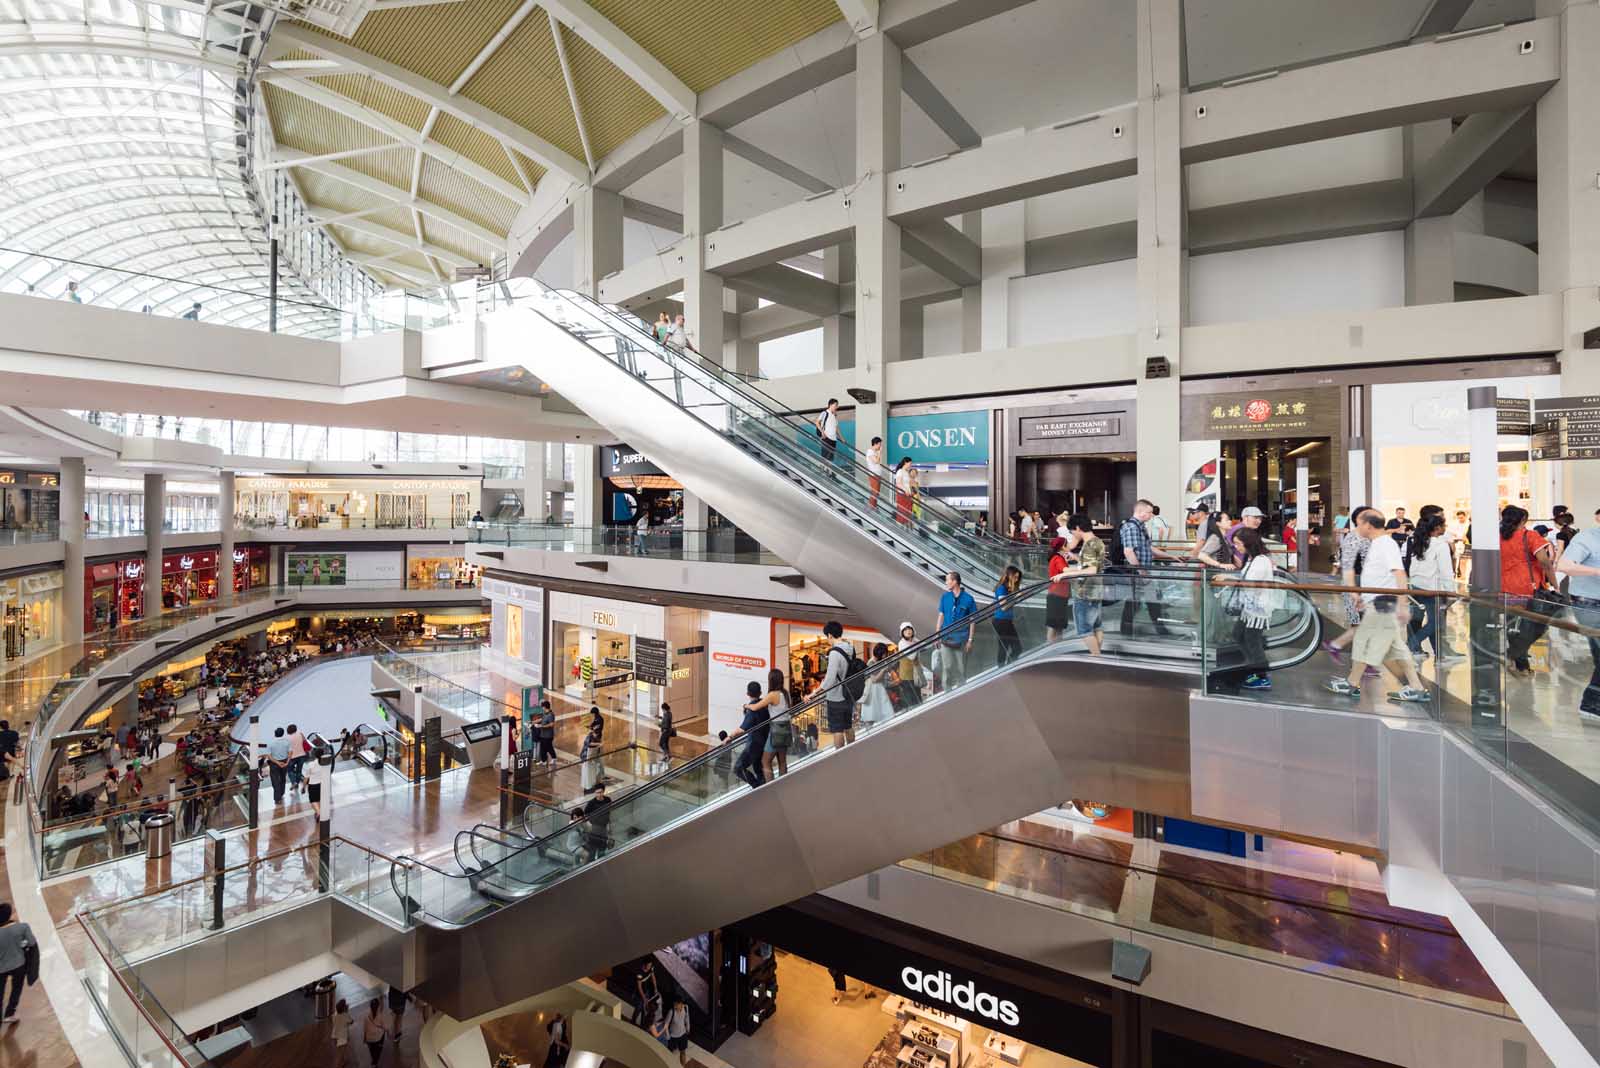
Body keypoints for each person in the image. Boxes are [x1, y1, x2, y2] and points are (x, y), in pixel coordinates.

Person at [1325, 510, 1430, 703]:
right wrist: (1363, 596)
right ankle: (1416, 688)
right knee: (1396, 649)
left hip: (1384, 603)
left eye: (1358, 524)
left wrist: (1403, 603)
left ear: (1368, 525)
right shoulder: (1379, 544)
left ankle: (1351, 683)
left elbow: (1399, 574)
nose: (1357, 528)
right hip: (1379, 601)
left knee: (1364, 642)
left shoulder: (1385, 545)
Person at [1214, 527, 1279, 691]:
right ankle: (1253, 667)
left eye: (1238, 543)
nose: (1236, 547)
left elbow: (1250, 583)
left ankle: (1261, 675)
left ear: (1248, 543)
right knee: (1240, 635)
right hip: (1250, 609)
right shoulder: (1252, 558)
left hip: (1258, 610)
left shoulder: (1260, 560)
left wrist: (1228, 578)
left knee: (1252, 641)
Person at [1500, 504, 1559, 678]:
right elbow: (1545, 562)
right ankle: (1513, 656)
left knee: (1514, 627)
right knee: (1537, 626)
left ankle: (1521, 665)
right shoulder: (1530, 536)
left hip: (1506, 589)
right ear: (1523, 520)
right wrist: (1555, 584)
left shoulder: (1499, 538)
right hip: (1528, 588)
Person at [1557, 507, 1600, 720]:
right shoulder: (1587, 538)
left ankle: (1592, 704)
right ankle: (1590, 705)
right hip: (1589, 603)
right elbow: (1564, 565)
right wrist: (1597, 571)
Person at [1405, 514, 1460, 664]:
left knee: (1433, 621)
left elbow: (1412, 566)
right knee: (1436, 622)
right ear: (1437, 528)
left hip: (1417, 586)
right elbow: (1446, 571)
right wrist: (1451, 592)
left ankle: (1439, 655)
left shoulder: (1420, 541)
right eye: (1444, 525)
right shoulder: (1440, 545)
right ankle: (1410, 644)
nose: (1445, 528)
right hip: (1432, 589)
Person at [1118, 499, 1177, 636]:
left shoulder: (1141, 526)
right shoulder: (1131, 527)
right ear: (1140, 512)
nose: (1151, 515)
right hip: (1137, 573)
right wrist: (1141, 571)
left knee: (1148, 601)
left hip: (1143, 572)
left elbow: (1149, 547)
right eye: (1149, 512)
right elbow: (1129, 551)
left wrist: (1169, 557)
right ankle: (1128, 631)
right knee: (1135, 603)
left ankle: (1159, 630)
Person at [1326, 505, 1376, 666]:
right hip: (1354, 585)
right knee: (1362, 625)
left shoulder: (1367, 538)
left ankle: (1359, 661)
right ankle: (1341, 648)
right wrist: (1353, 591)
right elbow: (1348, 566)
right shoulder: (1354, 539)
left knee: (1363, 625)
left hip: (1361, 585)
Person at [1065, 515, 1106, 655]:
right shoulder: (1098, 541)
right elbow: (1093, 564)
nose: (1073, 535)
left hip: (1085, 592)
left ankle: (1096, 658)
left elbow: (1091, 570)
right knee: (1097, 626)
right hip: (1097, 591)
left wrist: (1065, 574)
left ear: (1077, 528)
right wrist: (1076, 558)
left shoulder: (1088, 545)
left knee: (1085, 630)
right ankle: (1097, 655)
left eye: (1072, 532)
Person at [816, 620, 858, 748]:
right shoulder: (850, 647)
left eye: (827, 636)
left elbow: (829, 679)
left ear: (829, 635)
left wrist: (814, 693)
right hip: (849, 694)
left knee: (837, 729)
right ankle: (853, 750)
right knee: (848, 725)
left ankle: (840, 757)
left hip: (836, 697)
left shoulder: (834, 652)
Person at [935, 571, 977, 689]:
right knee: (947, 667)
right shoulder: (945, 597)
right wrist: (937, 635)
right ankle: (947, 692)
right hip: (945, 638)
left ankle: (961, 691)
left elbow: (972, 620)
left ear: (954, 581)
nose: (946, 582)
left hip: (961, 640)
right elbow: (941, 616)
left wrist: (970, 639)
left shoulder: (968, 599)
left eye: (948, 580)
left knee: (961, 668)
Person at [0, 902, 36, 1023]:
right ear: (9, 914)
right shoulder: (22, 927)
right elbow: (31, 943)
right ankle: (9, 1014)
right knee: (16, 989)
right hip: (18, 964)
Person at [730, 681, 770, 788]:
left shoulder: (751, 710)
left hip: (754, 744)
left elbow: (742, 729)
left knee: (738, 768)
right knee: (758, 768)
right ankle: (763, 788)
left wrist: (729, 737)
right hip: (764, 742)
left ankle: (756, 786)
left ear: (748, 693)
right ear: (760, 692)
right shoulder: (765, 705)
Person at [760, 668, 791, 779]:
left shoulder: (773, 694)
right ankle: (783, 783)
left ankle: (771, 786)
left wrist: (746, 706)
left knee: (765, 761)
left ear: (771, 680)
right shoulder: (785, 693)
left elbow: (756, 706)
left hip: (776, 730)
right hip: (786, 729)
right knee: (782, 761)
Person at [1045, 536, 1075, 643]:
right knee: (1054, 626)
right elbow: (1065, 570)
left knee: (1058, 626)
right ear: (1063, 546)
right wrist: (1082, 569)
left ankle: (1055, 649)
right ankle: (1051, 650)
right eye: (1067, 544)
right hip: (1057, 596)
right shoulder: (1058, 558)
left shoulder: (1057, 558)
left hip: (1058, 595)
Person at [991, 565, 1024, 664]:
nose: (1017, 580)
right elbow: (1003, 607)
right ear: (1010, 576)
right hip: (1000, 621)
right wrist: (1016, 597)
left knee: (1015, 647)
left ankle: (1008, 666)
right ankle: (1003, 668)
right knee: (1005, 646)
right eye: (1015, 577)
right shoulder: (1001, 588)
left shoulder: (1009, 589)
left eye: (1018, 578)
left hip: (1006, 621)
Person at [576, 781, 612, 859]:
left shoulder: (608, 800)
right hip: (594, 829)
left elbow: (608, 813)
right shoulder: (591, 803)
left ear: (603, 791)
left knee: (602, 849)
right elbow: (584, 815)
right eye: (597, 793)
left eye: (600, 792)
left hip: (604, 828)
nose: (599, 795)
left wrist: (609, 826)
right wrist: (589, 824)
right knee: (592, 849)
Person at [631, 960, 660, 1026]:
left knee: (645, 1010)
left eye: (650, 966)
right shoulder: (639, 973)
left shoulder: (651, 968)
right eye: (648, 966)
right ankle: (632, 1022)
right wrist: (644, 998)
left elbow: (653, 978)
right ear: (644, 965)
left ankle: (642, 1024)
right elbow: (639, 987)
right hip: (639, 993)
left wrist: (655, 988)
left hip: (646, 991)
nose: (649, 967)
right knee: (638, 1008)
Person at [266, 726, 290, 804]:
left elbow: (269, 756)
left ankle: (277, 798)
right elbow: (290, 752)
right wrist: (287, 762)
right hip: (284, 761)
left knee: (275, 780)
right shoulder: (287, 742)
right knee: (283, 778)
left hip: (274, 763)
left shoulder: (271, 743)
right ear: (283, 733)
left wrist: (277, 762)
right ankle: (281, 793)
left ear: (275, 734)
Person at [665, 997, 691, 1066]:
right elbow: (666, 1024)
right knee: (670, 1054)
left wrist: (688, 1028)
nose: (675, 1006)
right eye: (674, 1004)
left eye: (676, 1004)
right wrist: (668, 1037)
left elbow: (687, 1018)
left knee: (683, 1052)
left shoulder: (686, 1008)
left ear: (681, 1004)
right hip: (673, 1036)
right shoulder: (671, 1011)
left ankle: (683, 1066)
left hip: (683, 1034)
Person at [361, 997, 387, 1066]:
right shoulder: (380, 1016)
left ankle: (373, 1060)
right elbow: (384, 1027)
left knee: (372, 1050)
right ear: (378, 1006)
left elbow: (365, 1028)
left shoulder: (366, 1016)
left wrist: (364, 1038)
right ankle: (375, 1061)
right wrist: (387, 1030)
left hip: (369, 1038)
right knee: (378, 1049)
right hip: (378, 1038)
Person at [815, 398, 841, 467]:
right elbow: (817, 422)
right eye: (835, 405)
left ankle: (829, 472)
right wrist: (822, 432)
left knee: (831, 458)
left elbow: (836, 428)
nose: (837, 407)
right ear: (830, 405)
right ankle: (823, 470)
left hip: (834, 439)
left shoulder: (834, 416)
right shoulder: (825, 413)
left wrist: (841, 438)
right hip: (826, 438)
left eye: (837, 405)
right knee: (825, 456)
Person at [304, 748, 327, 820]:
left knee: (313, 800)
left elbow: (306, 777)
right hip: (322, 784)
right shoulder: (325, 763)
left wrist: (303, 787)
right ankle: (317, 812)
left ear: (315, 755)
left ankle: (319, 812)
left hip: (313, 785)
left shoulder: (311, 764)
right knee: (319, 799)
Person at [286, 723, 307, 797]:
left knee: (290, 770)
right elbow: (305, 742)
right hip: (302, 755)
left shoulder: (287, 738)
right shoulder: (300, 734)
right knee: (299, 770)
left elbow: (287, 749)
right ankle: (297, 783)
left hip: (292, 757)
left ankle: (293, 782)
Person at [892, 457, 915, 525]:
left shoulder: (906, 472)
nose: (911, 465)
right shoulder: (900, 471)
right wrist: (905, 490)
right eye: (910, 463)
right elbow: (898, 483)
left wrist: (911, 491)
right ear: (905, 462)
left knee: (908, 512)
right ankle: (900, 526)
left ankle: (906, 527)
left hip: (908, 495)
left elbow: (907, 484)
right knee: (903, 511)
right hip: (902, 494)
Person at [331, 998, 352, 1067]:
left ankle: (343, 1062)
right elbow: (351, 1021)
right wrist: (347, 1012)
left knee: (341, 1051)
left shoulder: (334, 1015)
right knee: (340, 1054)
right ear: (343, 1008)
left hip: (335, 1035)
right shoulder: (345, 1015)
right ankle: (338, 1065)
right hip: (342, 1037)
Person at [866, 436, 886, 509]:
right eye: (879, 444)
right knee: (875, 492)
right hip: (873, 475)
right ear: (875, 444)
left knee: (876, 492)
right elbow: (876, 461)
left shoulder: (874, 452)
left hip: (877, 475)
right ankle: (871, 507)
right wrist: (880, 453)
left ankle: (874, 506)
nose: (880, 446)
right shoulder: (870, 451)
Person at [535, 701, 557, 766]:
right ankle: (543, 760)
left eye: (542, 707)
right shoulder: (545, 713)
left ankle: (553, 758)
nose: (542, 708)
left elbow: (552, 724)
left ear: (545, 707)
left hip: (548, 735)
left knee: (548, 747)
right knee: (543, 748)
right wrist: (532, 722)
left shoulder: (551, 715)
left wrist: (541, 726)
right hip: (543, 734)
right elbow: (541, 719)